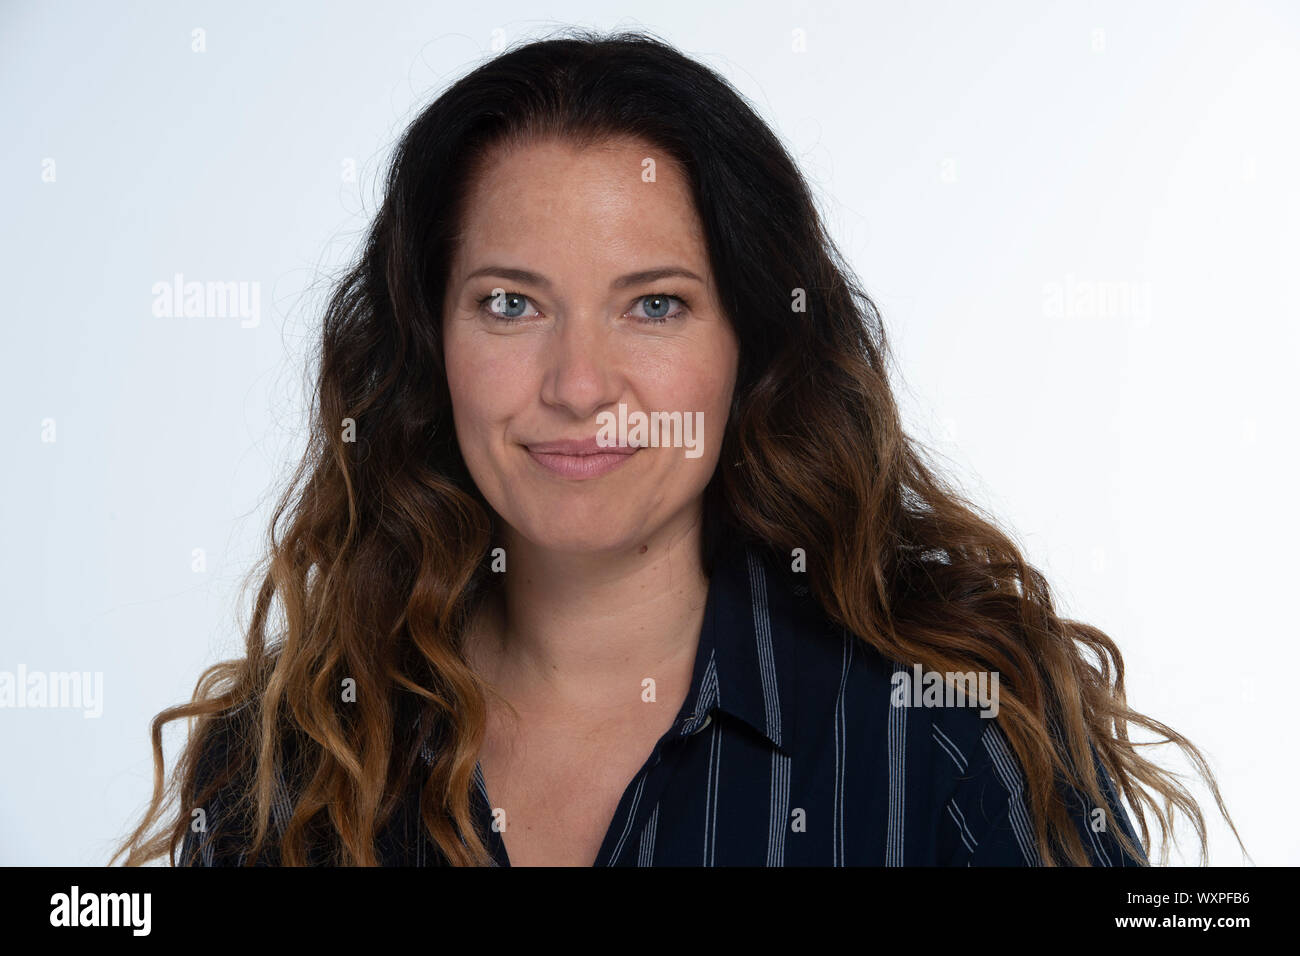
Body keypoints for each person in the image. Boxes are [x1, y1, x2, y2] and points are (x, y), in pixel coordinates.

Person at [113, 29, 1241, 867]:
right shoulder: (290, 758)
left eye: (653, 306)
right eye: (510, 304)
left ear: (749, 344)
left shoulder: (949, 730)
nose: (579, 384)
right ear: (427, 346)